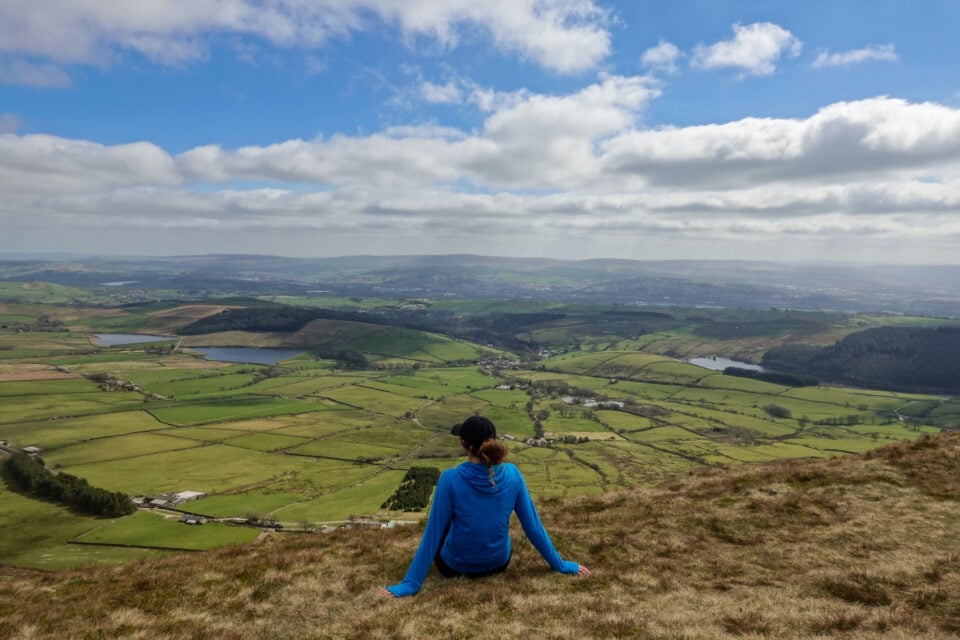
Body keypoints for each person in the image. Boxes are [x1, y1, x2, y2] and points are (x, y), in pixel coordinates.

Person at [382, 415, 590, 597]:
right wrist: (560, 565)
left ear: (463, 444)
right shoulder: (513, 474)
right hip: (499, 563)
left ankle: (428, 572)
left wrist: (410, 584)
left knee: (443, 525)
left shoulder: (450, 478)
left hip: (455, 567)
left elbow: (433, 534)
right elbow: (532, 526)